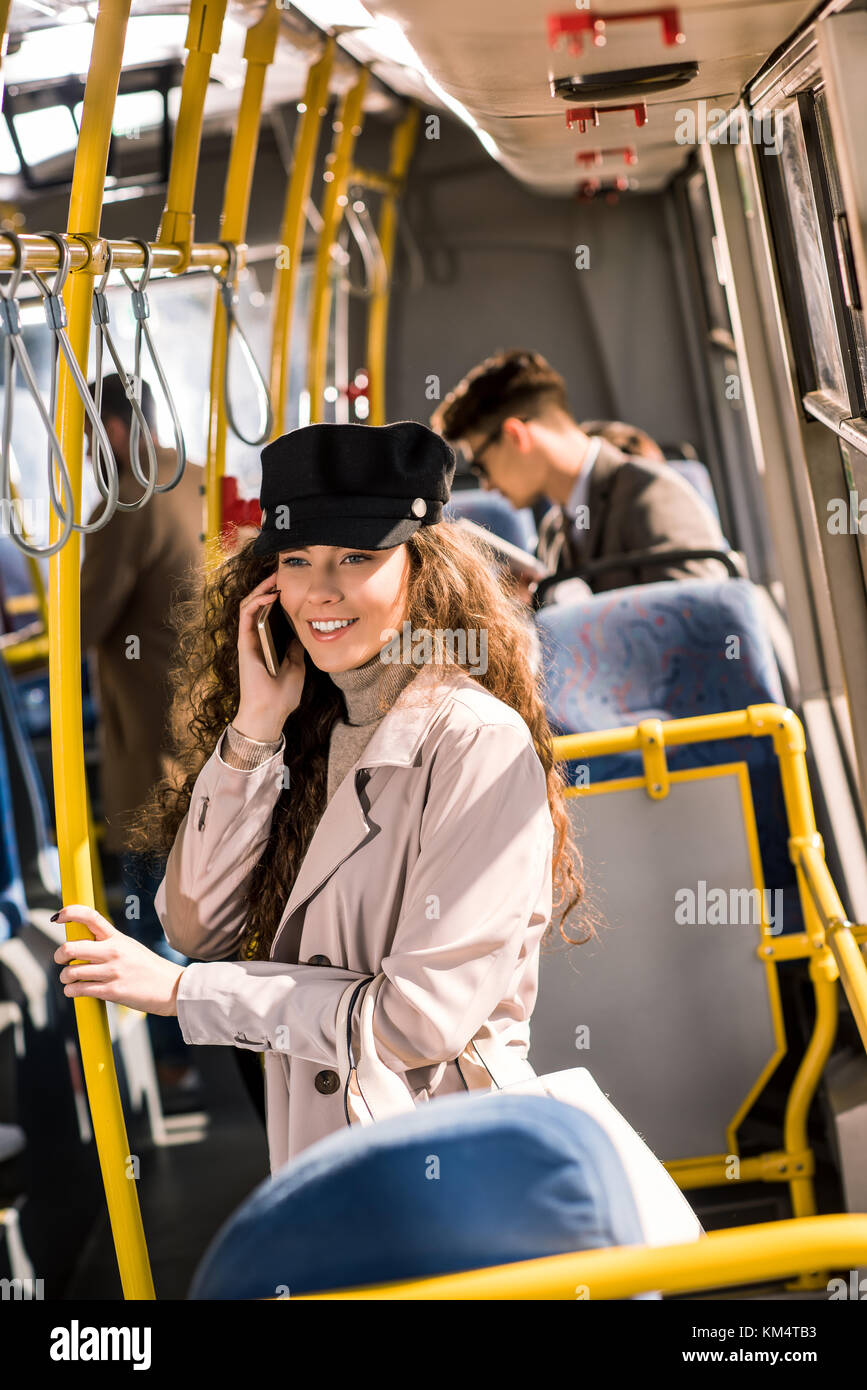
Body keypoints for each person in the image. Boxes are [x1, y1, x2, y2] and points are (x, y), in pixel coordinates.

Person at [52, 420, 587, 1174]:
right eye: (297, 560)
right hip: (323, 1153)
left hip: (446, 1158)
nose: (319, 591)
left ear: (419, 568)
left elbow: (417, 1020)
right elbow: (195, 922)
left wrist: (185, 993)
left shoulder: (473, 741)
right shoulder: (301, 725)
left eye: (356, 558)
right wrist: (253, 728)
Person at [80, 373, 204, 1090]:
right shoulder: (187, 474)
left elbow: (84, 620)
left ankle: (171, 1065)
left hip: (154, 749)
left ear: (113, 433)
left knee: (148, 918)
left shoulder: (127, 503)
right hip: (204, 733)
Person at [430, 349, 729, 593]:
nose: (487, 486)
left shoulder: (652, 495)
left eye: (481, 467)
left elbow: (700, 629)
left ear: (515, 435)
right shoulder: (553, 531)